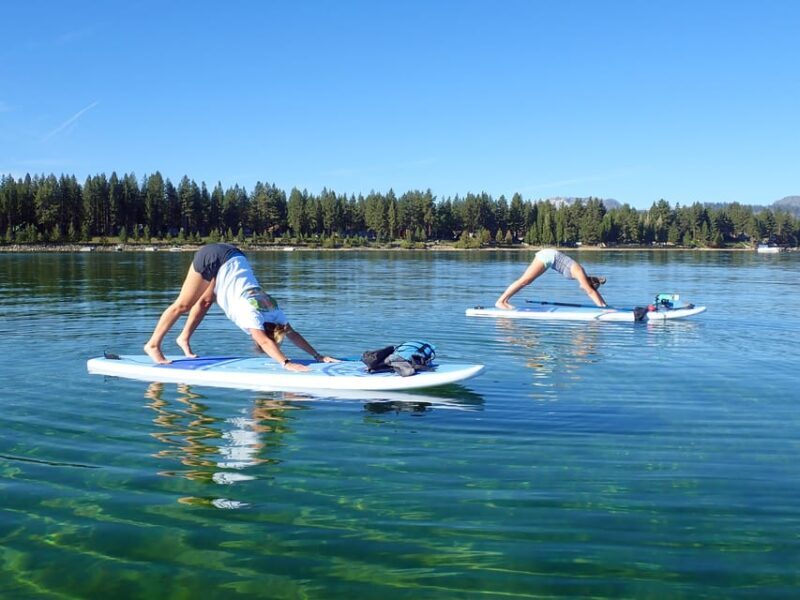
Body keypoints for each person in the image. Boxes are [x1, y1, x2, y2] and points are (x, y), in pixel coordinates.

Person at [144, 243, 337, 372]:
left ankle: (183, 338)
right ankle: (152, 345)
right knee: (183, 304)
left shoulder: (275, 312)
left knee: (205, 301)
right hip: (215, 257)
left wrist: (318, 356)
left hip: (234, 256)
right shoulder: (251, 315)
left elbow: (293, 334)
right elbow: (264, 342)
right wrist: (286, 363)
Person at [495, 248, 607, 309]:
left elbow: (590, 290)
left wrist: (604, 304)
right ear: (589, 283)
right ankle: (500, 301)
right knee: (525, 280)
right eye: (589, 286)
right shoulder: (579, 272)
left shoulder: (581, 276)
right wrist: (603, 307)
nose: (584, 288)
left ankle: (504, 301)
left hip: (550, 259)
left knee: (527, 281)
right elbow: (590, 291)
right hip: (549, 256)